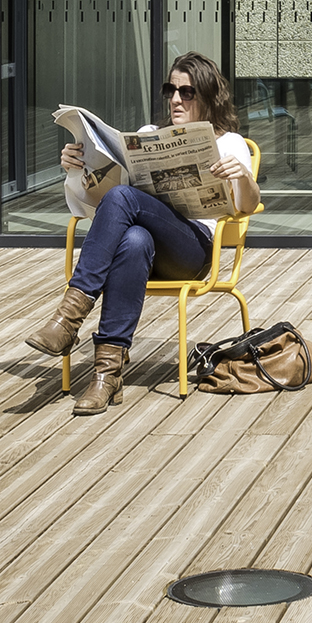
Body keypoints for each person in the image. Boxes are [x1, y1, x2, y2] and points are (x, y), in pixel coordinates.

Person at [25, 51, 260, 415]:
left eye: (188, 92)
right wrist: (77, 169)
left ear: (210, 96)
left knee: (124, 199)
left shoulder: (228, 143)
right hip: (145, 251)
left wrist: (242, 176)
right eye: (171, 89)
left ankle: (69, 317)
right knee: (134, 239)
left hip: (192, 251)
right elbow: (100, 204)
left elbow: (246, 208)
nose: (176, 99)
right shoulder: (149, 136)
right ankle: (107, 375)